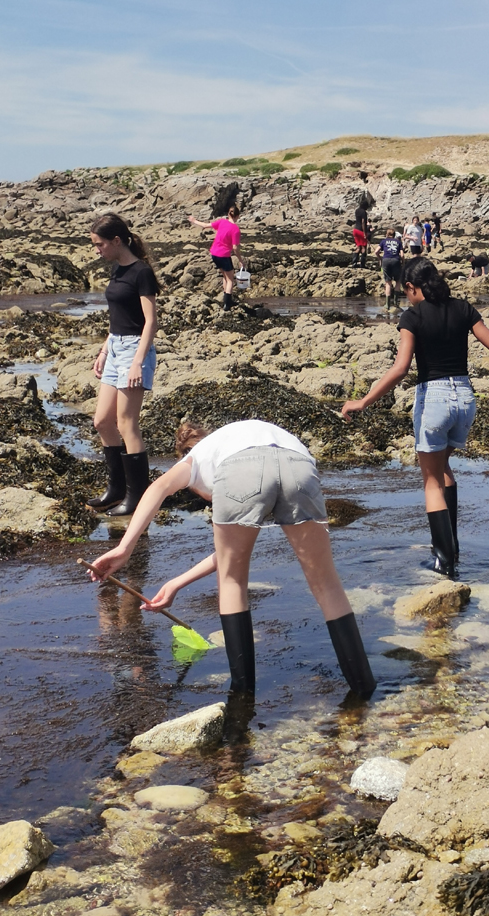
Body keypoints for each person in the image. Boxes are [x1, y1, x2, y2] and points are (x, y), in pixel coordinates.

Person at [85, 419, 376, 701]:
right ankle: (364, 686)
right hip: (298, 464)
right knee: (326, 583)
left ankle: (242, 698)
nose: (209, 500)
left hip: (241, 470)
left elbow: (158, 488)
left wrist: (125, 547)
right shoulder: (233, 438)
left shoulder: (194, 461)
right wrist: (176, 583)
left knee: (233, 582)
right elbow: (226, 553)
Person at [340, 258, 489, 577]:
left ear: (412, 288)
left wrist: (364, 401)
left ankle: (444, 561)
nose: (406, 297)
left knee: (430, 481)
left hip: (435, 400)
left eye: (405, 291)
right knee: (443, 469)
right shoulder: (462, 308)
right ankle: (451, 546)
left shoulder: (411, 316)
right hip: (465, 399)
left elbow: (401, 369)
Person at [86, 212, 160, 517]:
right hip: (116, 347)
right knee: (102, 422)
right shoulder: (116, 270)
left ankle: (137, 497)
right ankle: (116, 489)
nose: (97, 250)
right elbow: (117, 319)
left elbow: (151, 322)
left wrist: (137, 363)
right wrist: (104, 350)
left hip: (135, 351)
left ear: (117, 241)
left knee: (127, 423)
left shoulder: (142, 273)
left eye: (100, 244)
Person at [188, 205, 244, 310]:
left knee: (225, 277)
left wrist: (194, 220)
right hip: (224, 255)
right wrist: (241, 260)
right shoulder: (235, 229)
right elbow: (235, 248)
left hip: (214, 254)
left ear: (228, 214)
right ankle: (227, 304)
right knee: (231, 280)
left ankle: (226, 300)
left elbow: (205, 225)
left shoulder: (222, 221)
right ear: (238, 216)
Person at [376, 228, 404, 309]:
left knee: (388, 282)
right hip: (396, 260)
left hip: (386, 260)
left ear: (387, 234)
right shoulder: (398, 242)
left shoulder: (383, 241)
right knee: (398, 281)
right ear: (394, 235)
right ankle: (395, 303)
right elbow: (402, 255)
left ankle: (387, 304)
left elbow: (376, 251)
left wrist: (380, 258)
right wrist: (403, 262)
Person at [352, 202, 369, 267]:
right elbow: (363, 222)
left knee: (358, 247)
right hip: (361, 231)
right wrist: (364, 233)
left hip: (355, 230)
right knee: (364, 247)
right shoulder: (364, 212)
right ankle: (362, 264)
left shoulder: (357, 210)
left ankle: (354, 262)